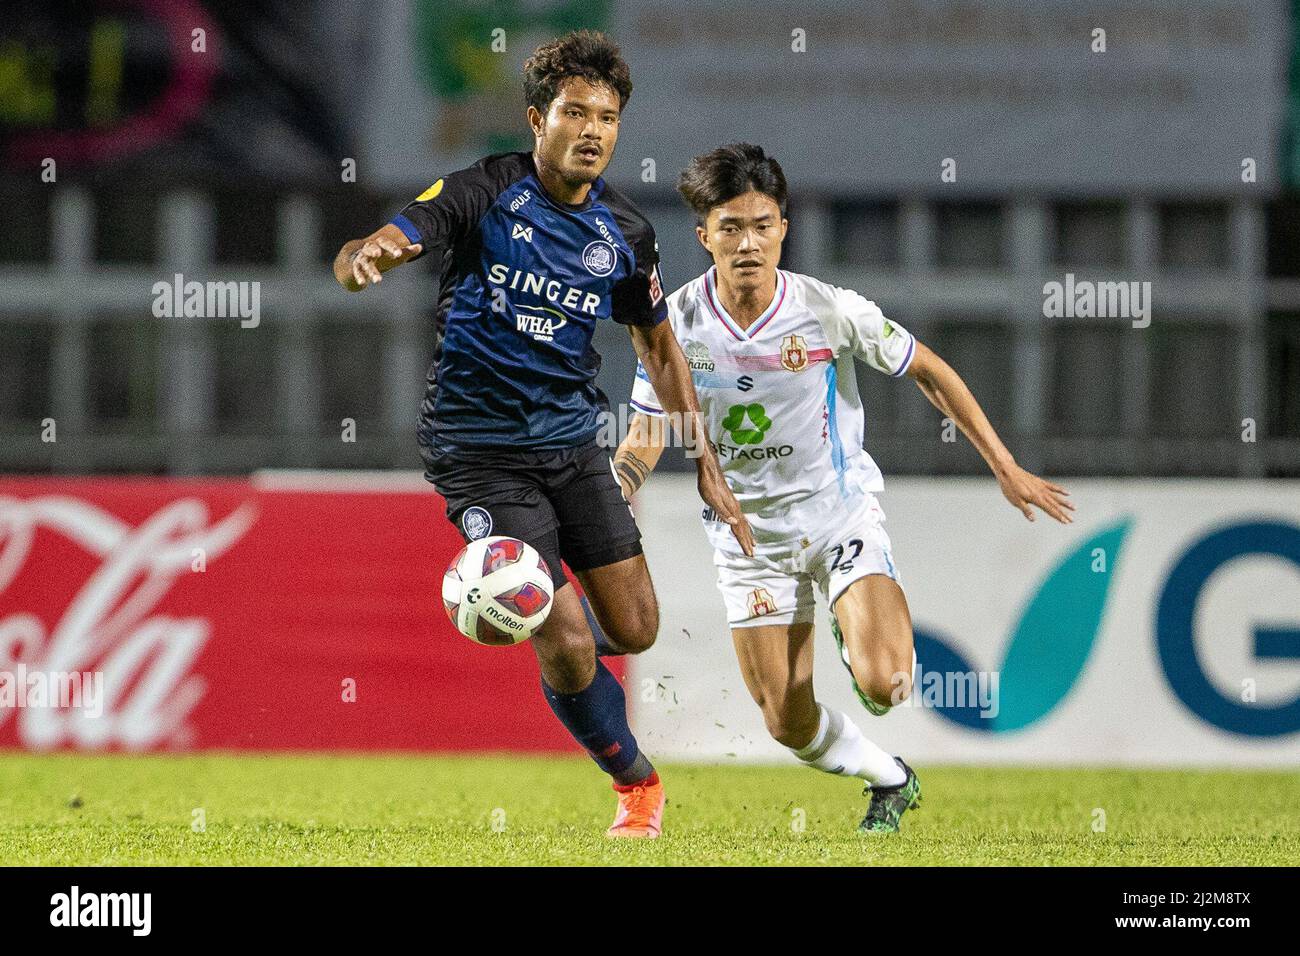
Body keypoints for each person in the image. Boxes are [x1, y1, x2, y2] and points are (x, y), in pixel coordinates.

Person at [332, 32, 753, 839]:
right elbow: (391, 236)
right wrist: (368, 255)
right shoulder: (485, 190)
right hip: (478, 454)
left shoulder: (625, 234)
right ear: (537, 118)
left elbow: (659, 349)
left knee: (635, 629)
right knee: (562, 632)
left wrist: (707, 465)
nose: (594, 129)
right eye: (575, 112)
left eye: (609, 116)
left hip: (570, 443)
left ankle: (565, 633)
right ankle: (636, 785)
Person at [614, 143, 1073, 833]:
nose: (748, 243)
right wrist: (618, 483)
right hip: (748, 541)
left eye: (763, 225)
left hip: (838, 519)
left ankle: (849, 609)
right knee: (786, 723)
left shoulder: (828, 311)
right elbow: (649, 427)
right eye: (731, 227)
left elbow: (930, 370)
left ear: (784, 229)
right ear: (703, 234)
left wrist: (1003, 464)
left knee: (885, 684)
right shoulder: (672, 325)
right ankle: (890, 777)